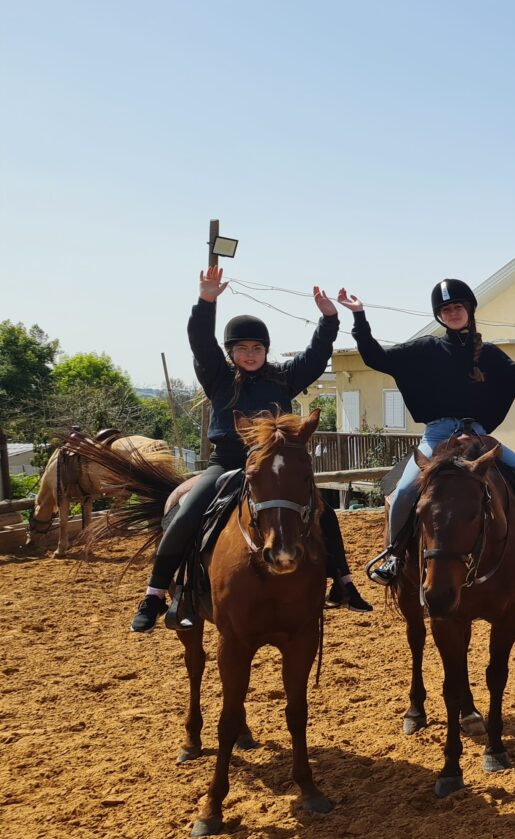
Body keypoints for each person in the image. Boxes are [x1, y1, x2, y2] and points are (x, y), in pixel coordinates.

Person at [130, 268, 371, 632]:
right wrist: (206, 301)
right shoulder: (218, 377)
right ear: (230, 353)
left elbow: (317, 354)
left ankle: (343, 582)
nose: (250, 354)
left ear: (266, 350)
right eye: (242, 349)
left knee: (324, 513)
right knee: (186, 514)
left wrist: (329, 319)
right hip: (226, 463)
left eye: (257, 348)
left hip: (274, 464)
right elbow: (200, 341)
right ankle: (156, 592)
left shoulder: (283, 377)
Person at [340, 278, 515, 583]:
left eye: (457, 306)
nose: (452, 313)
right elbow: (376, 358)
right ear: (439, 316)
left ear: (470, 309)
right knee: (405, 490)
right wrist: (359, 316)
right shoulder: (424, 349)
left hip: (479, 437)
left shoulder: (488, 354)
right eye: (445, 309)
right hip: (436, 436)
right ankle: (394, 555)